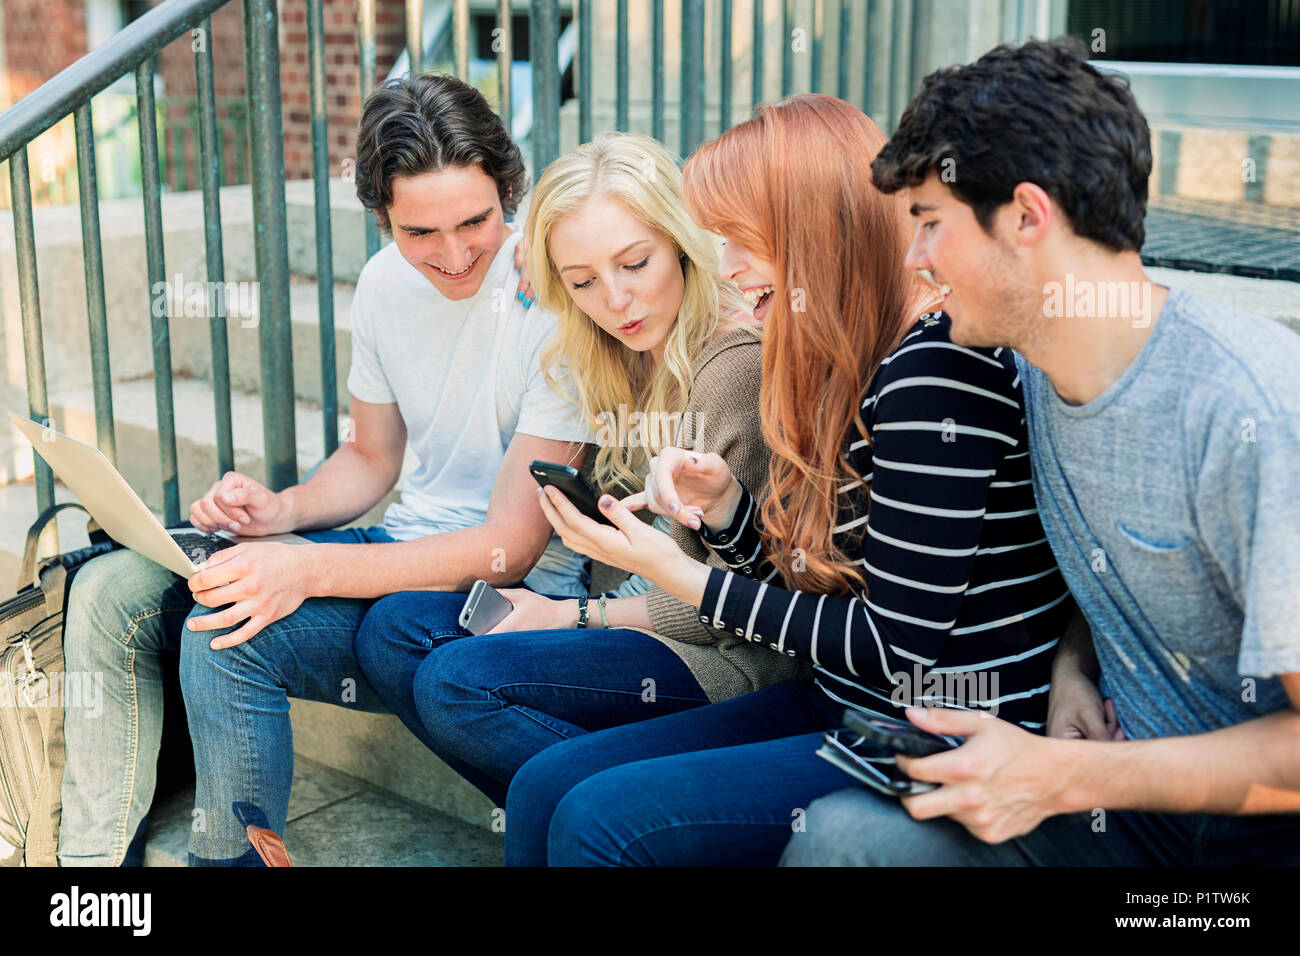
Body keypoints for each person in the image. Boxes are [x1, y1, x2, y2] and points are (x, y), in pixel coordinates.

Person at [504, 92, 1076, 866]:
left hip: (920, 724)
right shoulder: (841, 353)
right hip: (840, 696)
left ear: (817, 230)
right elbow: (823, 586)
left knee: (598, 822)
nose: (730, 268)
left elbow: (893, 643)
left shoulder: (934, 372)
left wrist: (679, 574)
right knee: (543, 787)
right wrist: (732, 511)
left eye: (744, 240)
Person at [781, 37, 1300, 866]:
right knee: (842, 843)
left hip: (1252, 842)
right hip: (1118, 805)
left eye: (929, 224)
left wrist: (1070, 778)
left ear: (1027, 217)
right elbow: (1108, 575)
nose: (913, 259)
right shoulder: (1030, 368)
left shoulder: (1249, 408)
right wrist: (1073, 667)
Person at [57, 72, 592, 866]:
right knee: (107, 590)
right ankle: (92, 873)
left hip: (500, 602)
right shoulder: (382, 286)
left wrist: (305, 572)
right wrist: (281, 513)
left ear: (507, 190)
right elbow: (373, 456)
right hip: (398, 552)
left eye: (476, 221)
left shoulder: (557, 292)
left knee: (226, 628)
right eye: (420, 233)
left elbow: (507, 549)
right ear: (381, 217)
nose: (452, 256)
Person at [353, 132, 807, 809]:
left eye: (636, 263)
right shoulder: (614, 352)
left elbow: (716, 611)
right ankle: (590, 806)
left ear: (682, 241)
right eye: (584, 280)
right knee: (395, 633)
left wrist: (572, 615)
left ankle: (606, 808)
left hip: (725, 655)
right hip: (642, 613)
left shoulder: (731, 364)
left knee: (457, 683)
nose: (617, 300)